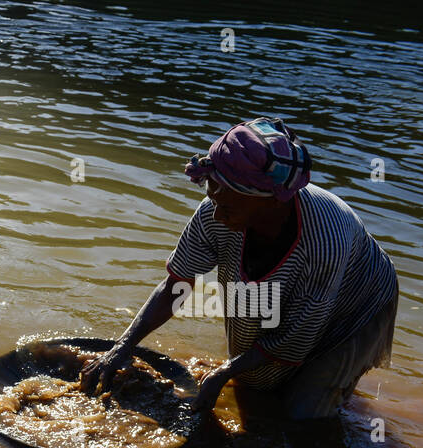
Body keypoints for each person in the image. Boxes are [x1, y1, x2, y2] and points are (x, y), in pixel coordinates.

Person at [81, 118, 399, 420]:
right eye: (214, 200)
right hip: (302, 289)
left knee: (303, 413)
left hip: (358, 304)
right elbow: (175, 286)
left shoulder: (325, 239)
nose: (217, 215)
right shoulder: (216, 211)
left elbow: (294, 338)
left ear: (273, 202)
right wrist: (121, 347)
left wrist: (223, 372)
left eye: (228, 207)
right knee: (253, 387)